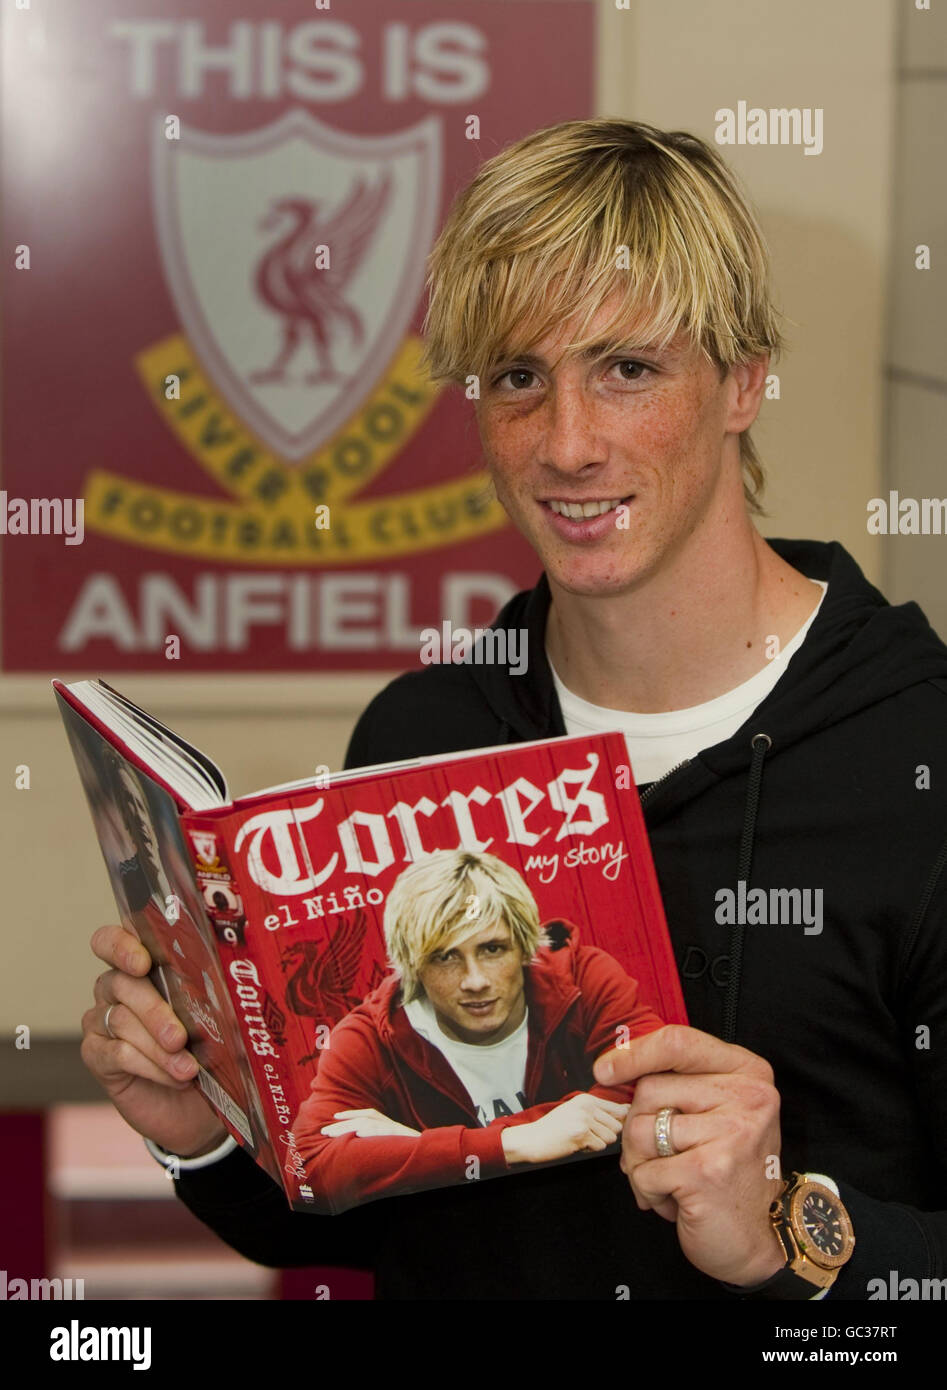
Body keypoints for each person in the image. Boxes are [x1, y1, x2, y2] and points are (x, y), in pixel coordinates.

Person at [80, 118, 947, 1300]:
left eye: (627, 370)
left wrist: (786, 1232)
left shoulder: (914, 761)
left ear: (743, 383)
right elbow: (375, 1219)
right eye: (518, 379)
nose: (567, 445)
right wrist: (204, 1127)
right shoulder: (420, 739)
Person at [290, 849, 664, 1212]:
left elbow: (655, 1081)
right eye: (445, 957)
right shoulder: (370, 1035)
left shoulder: (583, 978)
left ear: (523, 947)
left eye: (492, 949)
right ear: (412, 967)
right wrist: (510, 1143)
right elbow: (308, 1169)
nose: (475, 980)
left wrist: (423, 1147)